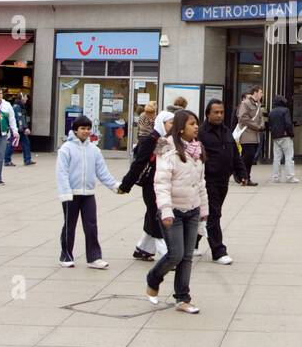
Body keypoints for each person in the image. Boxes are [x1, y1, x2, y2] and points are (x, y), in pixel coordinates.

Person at [148, 109, 209, 314]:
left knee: (187, 256)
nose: (196, 127)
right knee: (176, 254)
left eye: (197, 124)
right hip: (172, 211)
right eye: (192, 124)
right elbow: (161, 183)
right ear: (181, 127)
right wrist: (165, 210)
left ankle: (183, 298)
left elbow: (200, 182)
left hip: (192, 209)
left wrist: (203, 208)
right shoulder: (167, 148)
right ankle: (154, 277)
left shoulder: (197, 149)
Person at [55, 115, 120, 268]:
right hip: (71, 193)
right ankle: (66, 255)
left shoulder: (94, 150)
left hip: (88, 194)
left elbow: (102, 172)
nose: (85, 131)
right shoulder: (66, 149)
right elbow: (61, 172)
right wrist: (65, 192)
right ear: (75, 130)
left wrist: (115, 186)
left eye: (88, 129)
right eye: (82, 128)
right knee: (69, 226)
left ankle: (94, 257)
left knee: (91, 225)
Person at [121, 110, 173, 261]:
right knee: (157, 214)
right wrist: (126, 185)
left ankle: (143, 249)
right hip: (151, 184)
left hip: (163, 184)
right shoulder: (150, 140)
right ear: (162, 124)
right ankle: (165, 253)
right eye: (171, 123)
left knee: (152, 214)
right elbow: (139, 164)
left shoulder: (166, 140)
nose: (174, 126)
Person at [198, 98, 244, 264]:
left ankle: (193, 243)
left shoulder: (226, 131)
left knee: (206, 214)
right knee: (213, 214)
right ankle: (218, 251)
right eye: (216, 112)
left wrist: (241, 172)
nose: (219, 115)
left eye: (222, 112)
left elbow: (234, 153)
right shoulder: (201, 133)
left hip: (223, 180)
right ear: (208, 114)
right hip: (207, 180)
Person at [236, 87, 265, 185]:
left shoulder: (258, 105)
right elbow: (243, 117)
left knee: (250, 158)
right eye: (261, 92)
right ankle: (239, 173)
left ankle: (246, 178)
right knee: (248, 156)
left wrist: (262, 125)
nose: (262, 94)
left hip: (255, 136)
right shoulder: (246, 103)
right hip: (247, 134)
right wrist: (257, 126)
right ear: (255, 93)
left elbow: (260, 117)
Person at [268, 94, 297, 183]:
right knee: (289, 157)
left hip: (276, 137)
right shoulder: (285, 110)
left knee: (276, 158)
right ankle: (290, 177)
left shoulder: (271, 112)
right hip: (285, 136)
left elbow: (269, 125)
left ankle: (276, 177)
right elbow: (288, 123)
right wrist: (291, 134)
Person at [4, 92, 36, 167]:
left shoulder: (20, 106)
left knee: (25, 143)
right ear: (21, 98)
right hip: (17, 129)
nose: (27, 99)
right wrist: (24, 128)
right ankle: (7, 160)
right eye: (25, 97)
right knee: (13, 144)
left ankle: (27, 159)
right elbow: (19, 119)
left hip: (19, 129)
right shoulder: (17, 107)